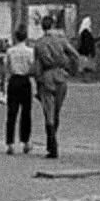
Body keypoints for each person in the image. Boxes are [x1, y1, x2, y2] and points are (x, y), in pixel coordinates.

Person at [32, 14, 79, 158]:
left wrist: (38, 83)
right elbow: (75, 55)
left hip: (46, 78)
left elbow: (37, 66)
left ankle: (52, 146)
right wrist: (72, 71)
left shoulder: (39, 44)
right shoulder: (61, 41)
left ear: (42, 27)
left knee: (48, 112)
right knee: (57, 110)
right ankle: (52, 142)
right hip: (60, 76)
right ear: (53, 26)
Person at [0, 25, 35, 155]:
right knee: (26, 112)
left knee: (11, 113)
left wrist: (2, 85)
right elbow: (33, 67)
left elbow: (5, 69)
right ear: (26, 37)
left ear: (15, 36)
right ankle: (25, 141)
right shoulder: (30, 52)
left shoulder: (10, 51)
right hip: (25, 81)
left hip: (13, 81)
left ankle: (10, 143)